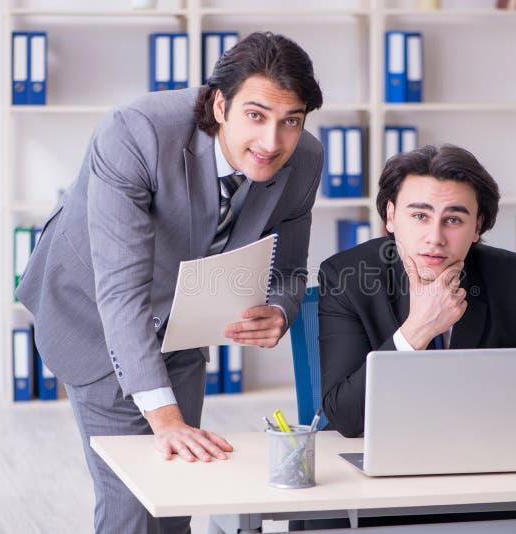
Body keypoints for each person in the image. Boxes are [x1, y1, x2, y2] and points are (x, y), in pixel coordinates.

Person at [16, 32, 323, 533]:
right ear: (220, 104)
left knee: (177, 496)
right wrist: (164, 417)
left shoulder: (304, 159)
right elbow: (120, 289)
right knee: (134, 507)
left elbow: (290, 270)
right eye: (256, 115)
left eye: (291, 121)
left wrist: (281, 308)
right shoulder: (136, 132)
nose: (272, 142)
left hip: (183, 320)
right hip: (94, 312)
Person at [319, 144, 516, 439]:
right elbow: (346, 416)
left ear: (477, 226)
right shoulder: (345, 277)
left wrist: (450, 410)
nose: (435, 238)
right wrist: (415, 331)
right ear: (390, 216)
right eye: (419, 217)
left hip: (480, 456)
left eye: (453, 220)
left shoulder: (515, 278)